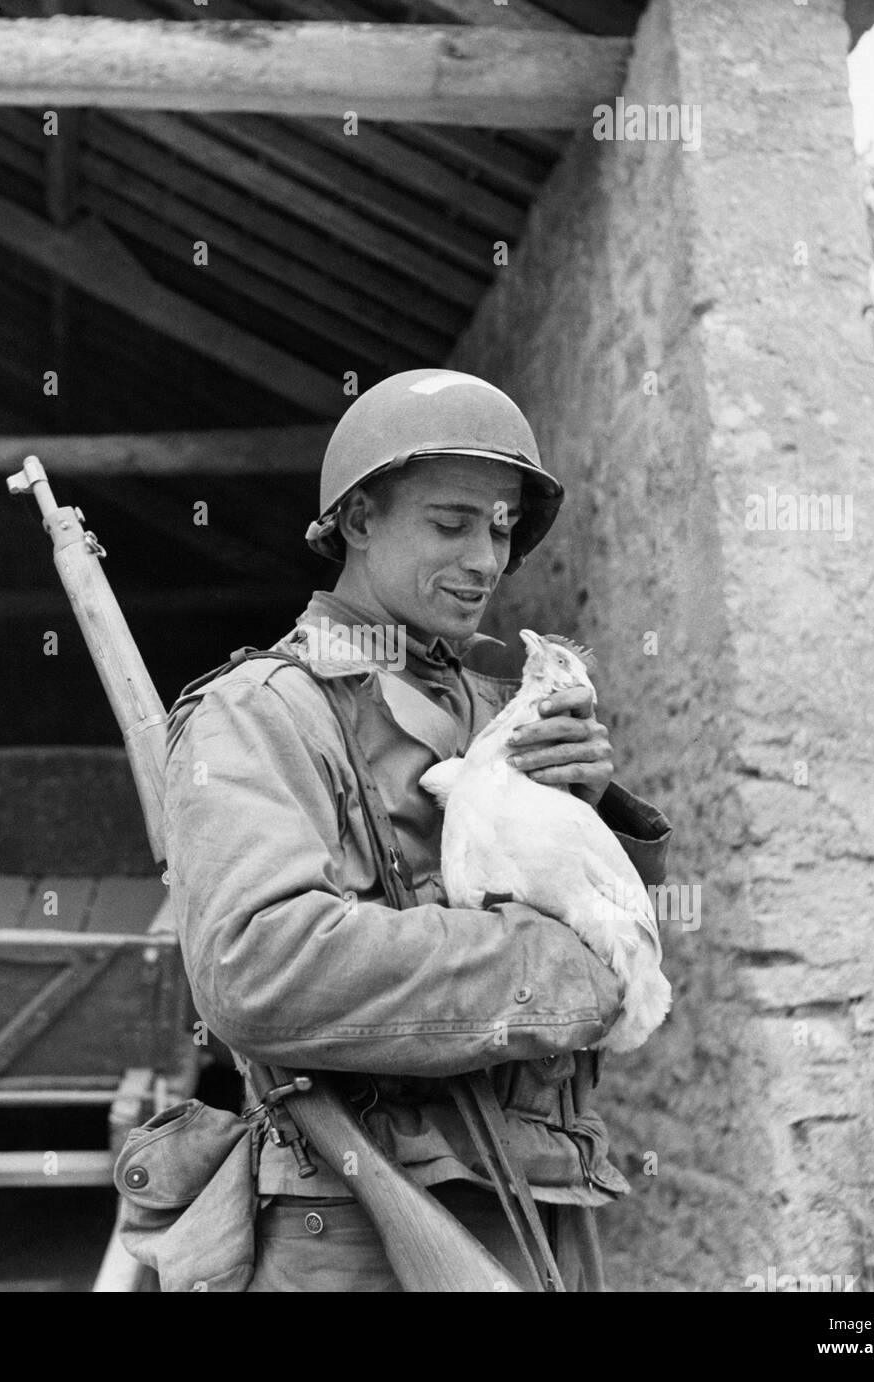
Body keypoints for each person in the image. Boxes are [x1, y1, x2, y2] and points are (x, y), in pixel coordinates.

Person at [163, 368, 671, 1291]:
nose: (486, 556)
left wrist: (591, 819)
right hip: (354, 1223)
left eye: (503, 527)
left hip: (550, 1196)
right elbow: (256, 964)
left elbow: (632, 950)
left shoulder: (506, 708)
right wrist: (545, 969)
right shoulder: (259, 713)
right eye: (451, 523)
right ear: (358, 519)